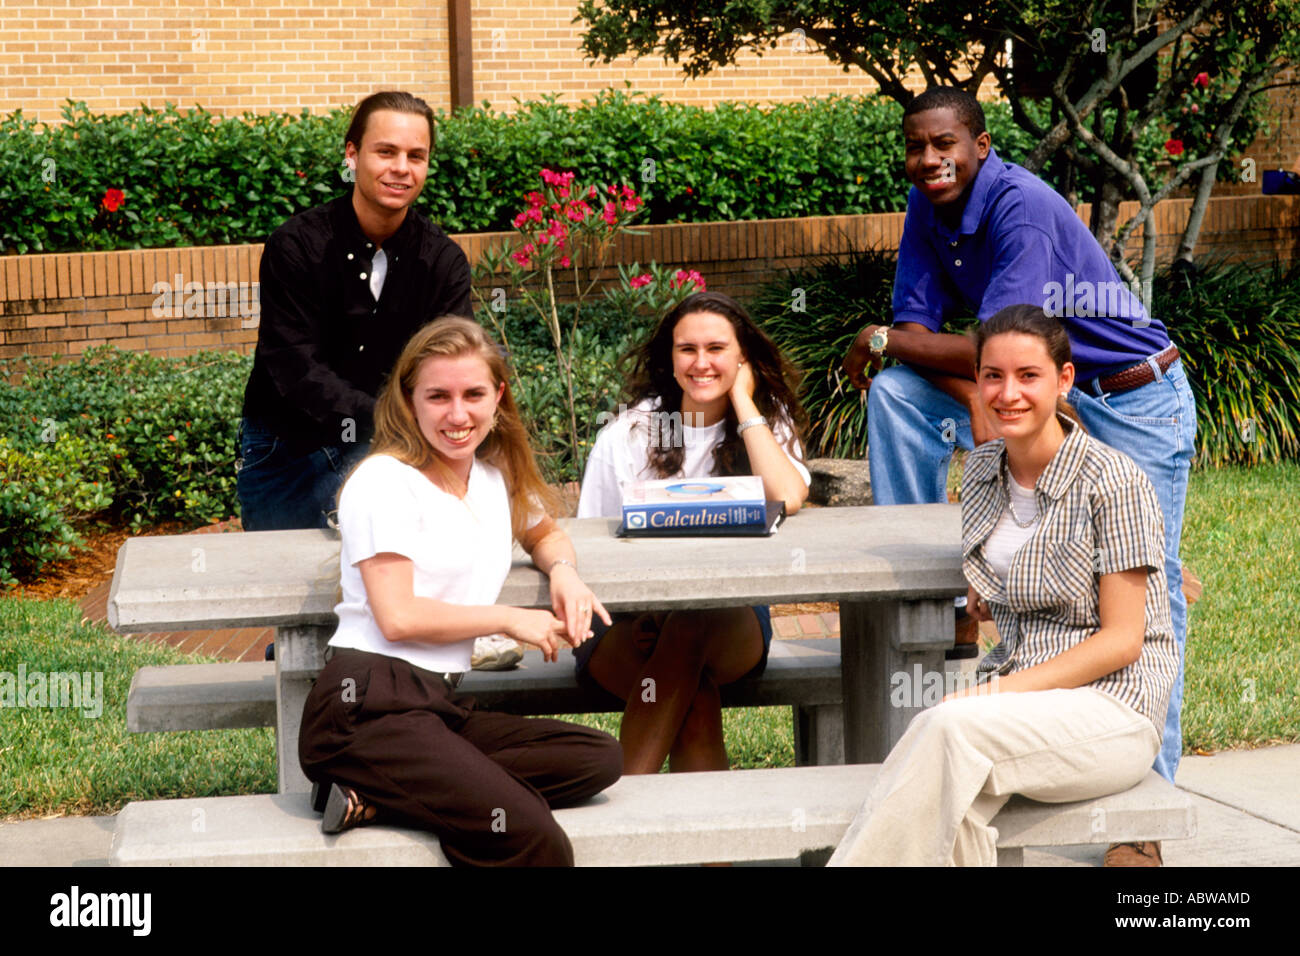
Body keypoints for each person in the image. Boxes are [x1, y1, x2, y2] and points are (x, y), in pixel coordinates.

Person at [840, 87, 1196, 862]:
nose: (930, 160)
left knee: (1151, 595)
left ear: (983, 144)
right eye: (917, 148)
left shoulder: (1020, 206)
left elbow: (999, 342)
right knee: (901, 390)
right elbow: (930, 338)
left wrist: (889, 344)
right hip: (1030, 382)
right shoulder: (926, 205)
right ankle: (940, 590)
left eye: (945, 146)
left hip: (1129, 394)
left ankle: (1141, 830)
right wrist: (958, 379)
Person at [829, 305, 1179, 866]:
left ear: (1064, 379)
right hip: (1022, 710)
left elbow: (1122, 641)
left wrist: (994, 693)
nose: (1007, 393)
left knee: (945, 727)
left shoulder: (1113, 480)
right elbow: (1001, 582)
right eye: (992, 375)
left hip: (1114, 711)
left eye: (1028, 376)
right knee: (951, 802)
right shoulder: (986, 472)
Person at [297, 316, 622, 866]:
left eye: (473, 394)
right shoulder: (384, 482)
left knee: (597, 758)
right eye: (438, 396)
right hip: (366, 706)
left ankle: (374, 796)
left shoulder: (491, 478)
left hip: (435, 705)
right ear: (408, 401)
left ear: (497, 397)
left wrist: (564, 570)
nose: (458, 414)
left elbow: (543, 531)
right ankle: (424, 791)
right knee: (531, 834)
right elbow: (397, 617)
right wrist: (510, 618)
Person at [236, 89, 519, 669]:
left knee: (394, 594)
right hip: (287, 450)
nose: (400, 168)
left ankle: (418, 686)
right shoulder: (296, 246)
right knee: (301, 616)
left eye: (416, 155)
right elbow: (292, 364)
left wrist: (423, 427)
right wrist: (394, 422)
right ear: (352, 155)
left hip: (392, 446)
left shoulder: (442, 261)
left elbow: (454, 362)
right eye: (385, 151)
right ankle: (319, 719)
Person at [576, 291, 811, 774]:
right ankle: (705, 851)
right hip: (623, 625)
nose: (701, 362)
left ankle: (619, 829)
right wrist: (641, 610)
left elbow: (787, 496)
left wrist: (744, 402)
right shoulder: (629, 433)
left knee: (691, 621)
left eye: (717, 349)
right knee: (694, 696)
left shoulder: (763, 426)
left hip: (730, 621)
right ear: (670, 355)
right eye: (687, 349)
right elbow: (587, 548)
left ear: (742, 357)